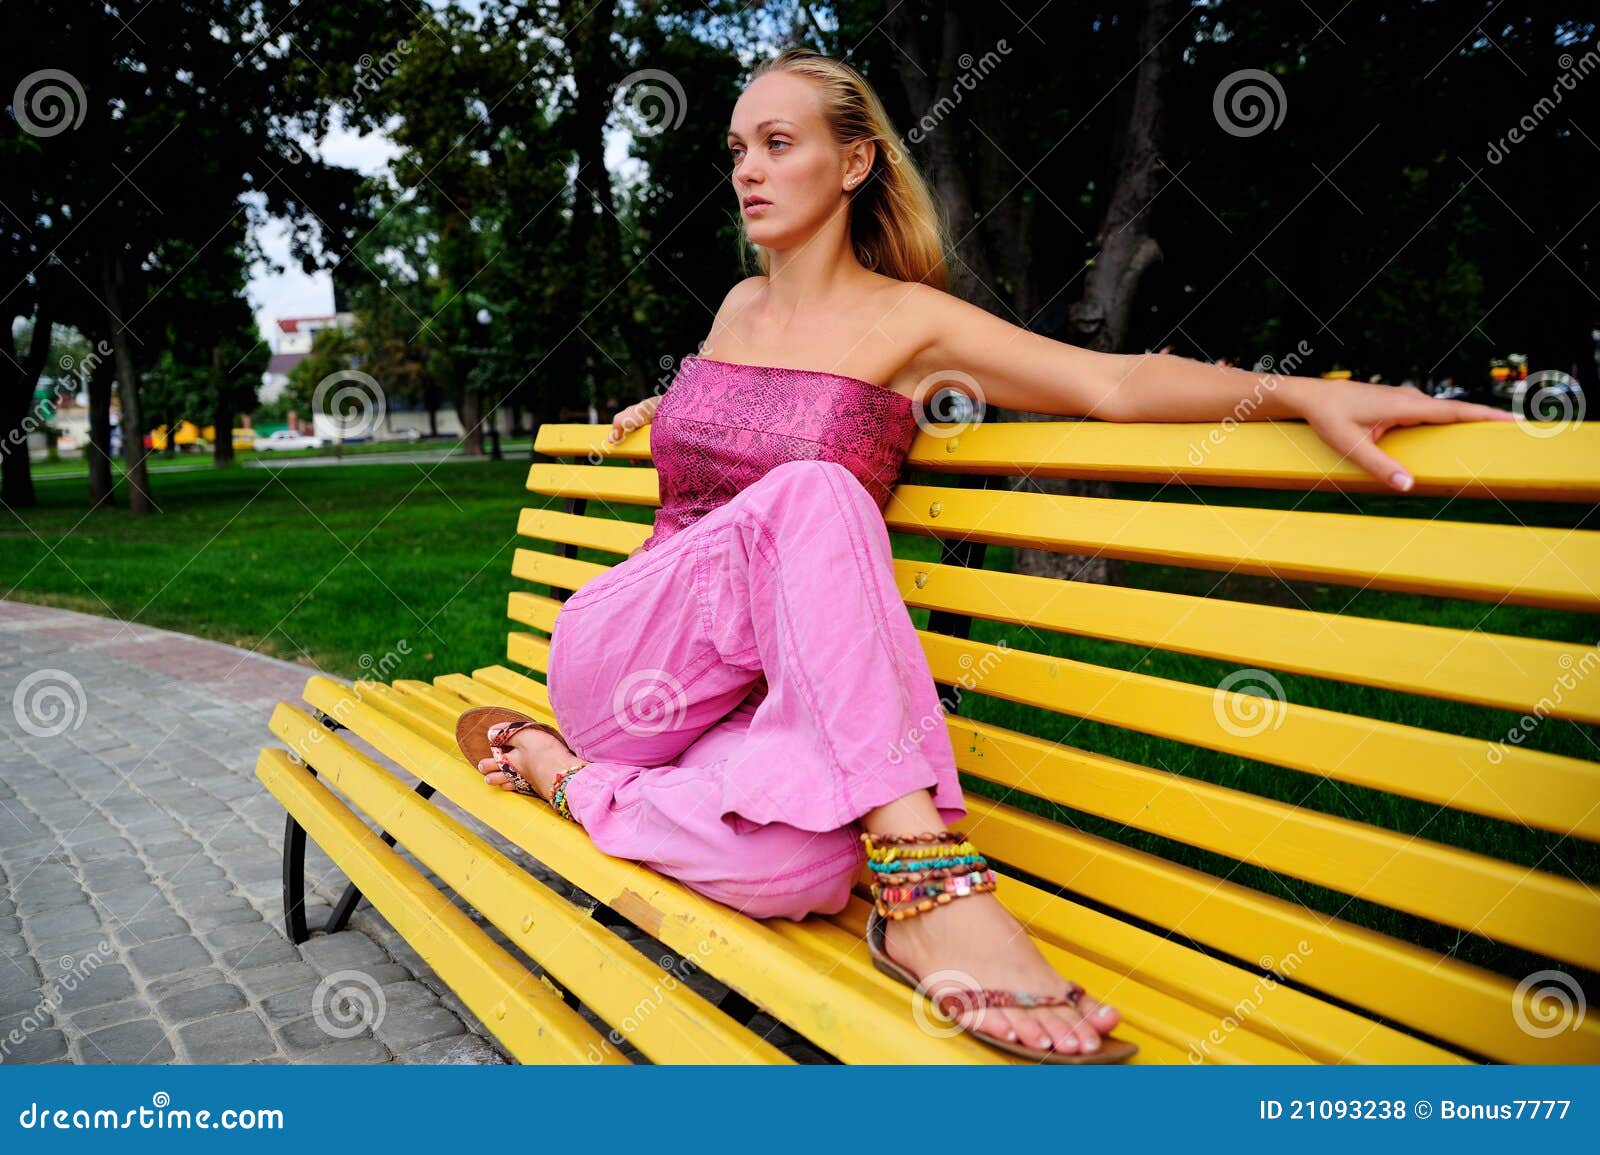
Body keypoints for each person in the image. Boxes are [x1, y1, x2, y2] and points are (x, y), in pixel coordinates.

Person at [457, 47, 1515, 1064]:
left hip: (752, 706)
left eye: (777, 143)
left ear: (856, 161)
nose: (745, 170)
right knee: (818, 488)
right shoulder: (737, 308)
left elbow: (1113, 384)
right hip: (629, 666)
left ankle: (558, 773)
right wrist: (682, 406)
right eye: (736, 148)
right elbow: (741, 491)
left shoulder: (915, 324)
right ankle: (933, 884)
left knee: (807, 864)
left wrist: (1294, 391)